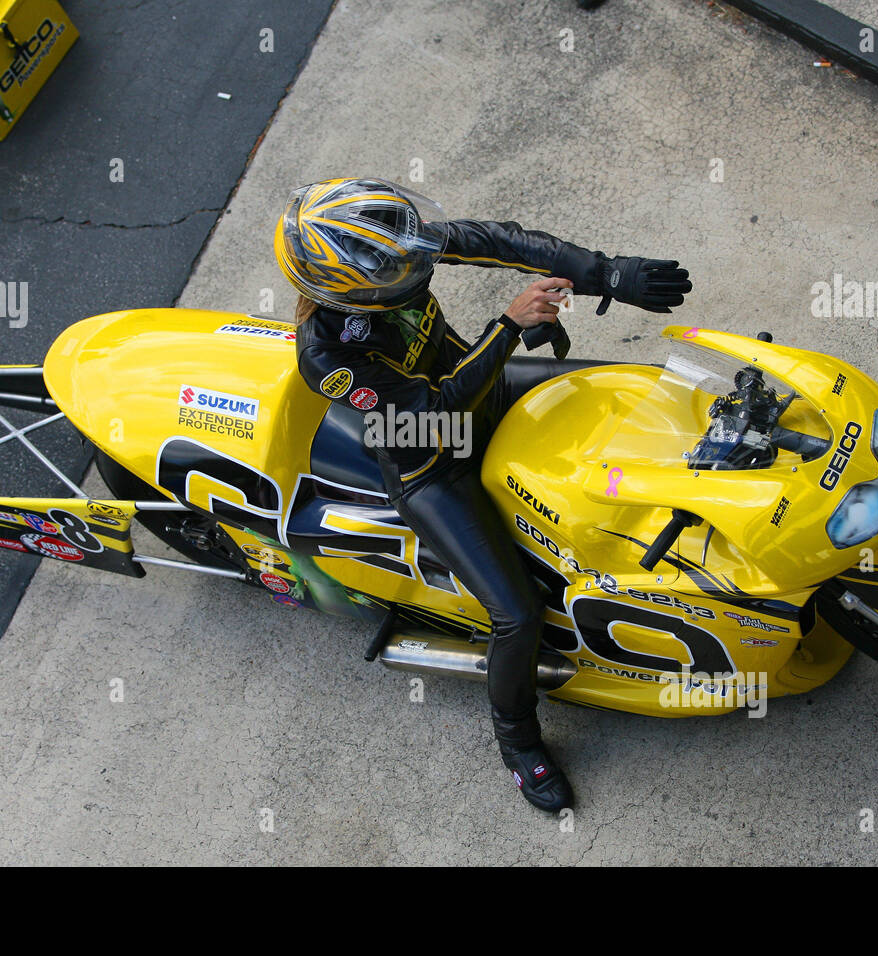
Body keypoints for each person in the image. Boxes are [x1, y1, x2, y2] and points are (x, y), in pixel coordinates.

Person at [275, 177, 691, 811]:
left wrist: (609, 275)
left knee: (640, 385)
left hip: (486, 390)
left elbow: (500, 241)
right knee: (518, 617)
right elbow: (433, 415)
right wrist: (507, 327)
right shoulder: (327, 355)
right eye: (401, 263)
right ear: (351, 287)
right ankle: (518, 743)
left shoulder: (391, 244)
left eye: (412, 246)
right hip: (432, 465)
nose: (419, 259)